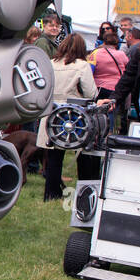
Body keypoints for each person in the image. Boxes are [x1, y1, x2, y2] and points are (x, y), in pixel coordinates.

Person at [37, 34, 99, 201]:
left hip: (53, 114)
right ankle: (85, 194)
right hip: (75, 116)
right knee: (83, 155)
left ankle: (51, 194)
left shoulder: (50, 64)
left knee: (54, 158)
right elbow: (91, 93)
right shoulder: (82, 66)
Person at [87, 30, 128, 101]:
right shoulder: (122, 54)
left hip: (100, 88)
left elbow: (89, 71)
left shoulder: (95, 53)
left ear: (104, 42)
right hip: (117, 88)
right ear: (117, 43)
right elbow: (127, 70)